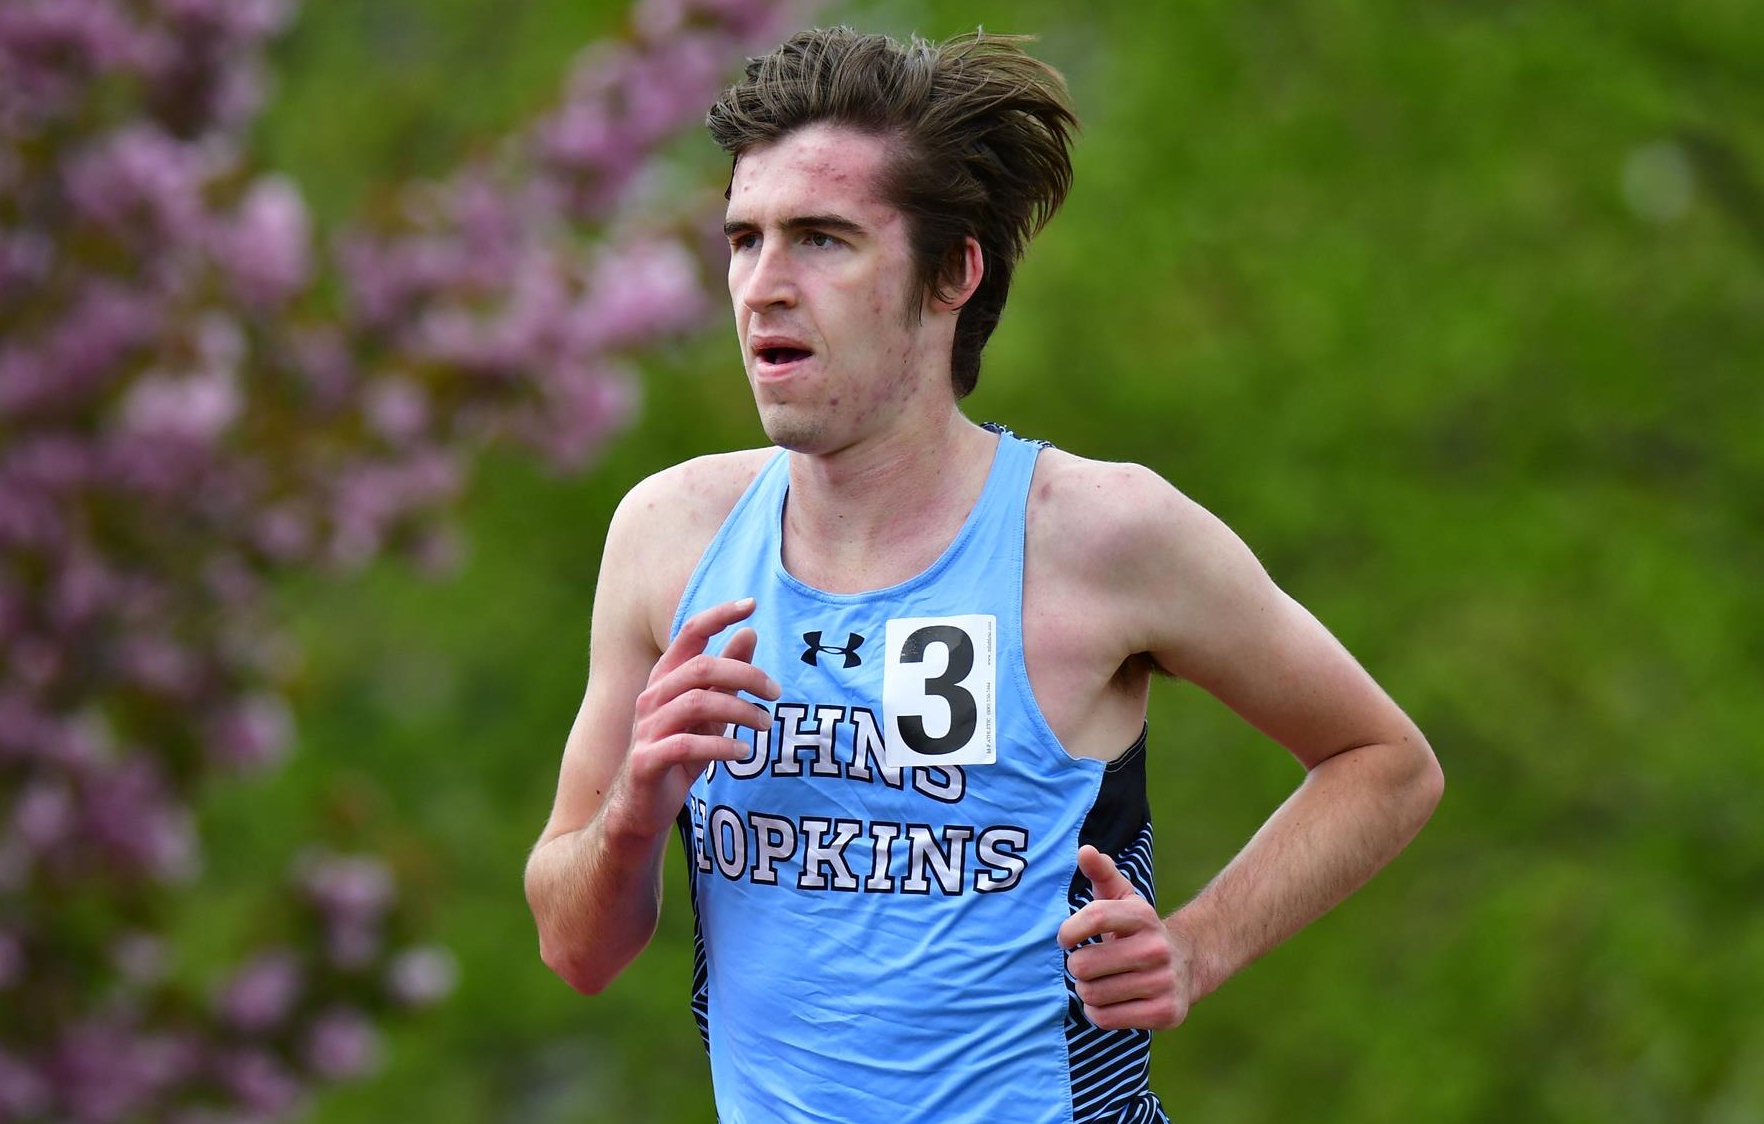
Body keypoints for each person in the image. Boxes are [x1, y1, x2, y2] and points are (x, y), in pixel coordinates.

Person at [523, 26, 1442, 1123]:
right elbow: (574, 946)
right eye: (743, 239)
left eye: (821, 240)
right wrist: (634, 808)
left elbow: (1383, 760)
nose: (763, 285)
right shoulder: (668, 536)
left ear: (951, 272)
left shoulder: (1099, 533)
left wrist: (1193, 946)